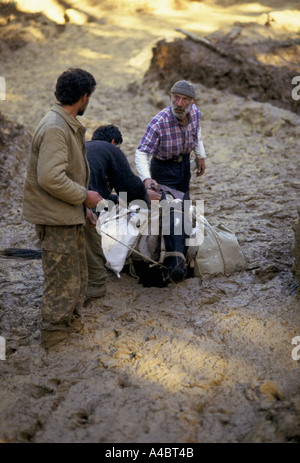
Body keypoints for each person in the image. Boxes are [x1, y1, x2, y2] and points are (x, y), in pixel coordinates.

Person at [22, 68, 102, 349]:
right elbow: (51, 177)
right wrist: (85, 197)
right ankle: (55, 341)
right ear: (83, 97)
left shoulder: (64, 122)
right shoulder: (57, 127)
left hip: (67, 216)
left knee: (75, 276)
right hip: (55, 220)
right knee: (61, 283)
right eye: (89, 97)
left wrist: (84, 210)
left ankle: (70, 327)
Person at [84, 124, 149, 298]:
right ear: (114, 142)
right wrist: (147, 206)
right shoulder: (111, 150)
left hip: (64, 198)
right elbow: (130, 187)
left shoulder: (83, 148)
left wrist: (116, 200)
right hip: (84, 206)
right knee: (94, 248)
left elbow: (101, 195)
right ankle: (95, 288)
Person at [135, 80, 206, 198]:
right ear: (170, 97)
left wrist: (200, 156)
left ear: (193, 102)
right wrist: (146, 178)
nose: (179, 103)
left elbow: (196, 131)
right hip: (163, 169)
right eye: (176, 97)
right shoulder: (158, 123)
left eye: (185, 99)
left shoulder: (195, 112)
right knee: (167, 209)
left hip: (185, 165)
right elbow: (142, 152)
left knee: (184, 203)